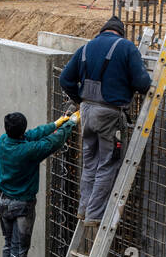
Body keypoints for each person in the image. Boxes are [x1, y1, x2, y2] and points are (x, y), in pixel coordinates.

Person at [58, 16, 152, 228]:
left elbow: (65, 79)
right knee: (108, 162)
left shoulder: (85, 48)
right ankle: (95, 214)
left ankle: (84, 208)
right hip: (109, 114)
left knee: (90, 162)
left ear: (103, 31)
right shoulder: (126, 48)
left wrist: (78, 100)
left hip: (87, 112)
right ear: (121, 33)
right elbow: (143, 83)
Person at [0, 110, 75, 257]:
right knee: (19, 249)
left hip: (4, 202)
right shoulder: (27, 151)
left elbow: (32, 135)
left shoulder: (3, 141)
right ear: (21, 130)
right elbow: (52, 143)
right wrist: (70, 124)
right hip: (21, 205)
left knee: (8, 243)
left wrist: (56, 123)